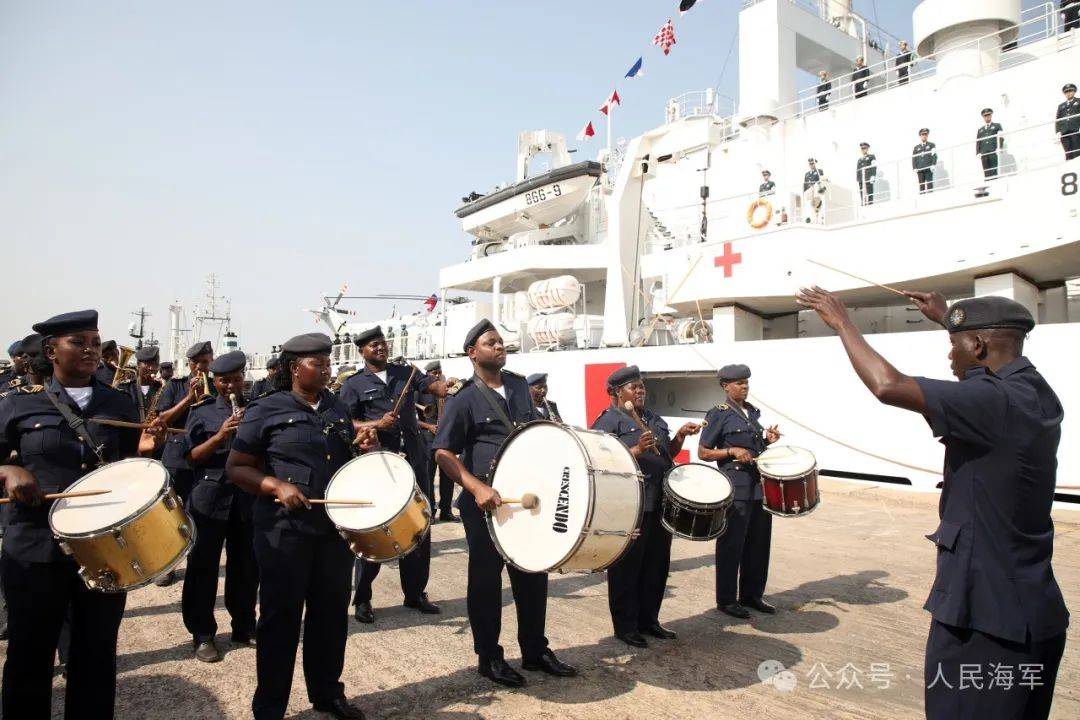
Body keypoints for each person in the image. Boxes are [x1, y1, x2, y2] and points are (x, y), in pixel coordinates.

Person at [795, 288, 1069, 720]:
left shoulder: (992, 403)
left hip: (986, 625)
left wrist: (842, 323)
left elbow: (888, 386)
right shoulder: (1035, 392)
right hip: (1028, 612)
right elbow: (985, 366)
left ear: (977, 346)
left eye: (953, 346)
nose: (948, 356)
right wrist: (951, 320)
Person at [0, 310, 144, 719]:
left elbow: (129, 467)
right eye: (78, 342)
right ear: (51, 351)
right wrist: (8, 469)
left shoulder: (119, 403)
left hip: (102, 549)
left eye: (96, 343)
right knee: (30, 655)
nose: (90, 350)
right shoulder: (17, 405)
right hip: (35, 548)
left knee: (96, 654)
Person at [226, 332, 369, 720]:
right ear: (294, 368)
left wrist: (364, 447)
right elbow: (237, 468)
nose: (326, 369)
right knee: (280, 619)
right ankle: (270, 707)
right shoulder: (266, 409)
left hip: (332, 532)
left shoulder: (337, 408)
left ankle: (327, 694)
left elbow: (342, 462)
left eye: (328, 363)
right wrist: (275, 484)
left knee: (331, 615)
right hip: (283, 532)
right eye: (317, 364)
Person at [433, 319, 577, 687]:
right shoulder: (463, 399)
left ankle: (534, 650)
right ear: (472, 353)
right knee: (485, 581)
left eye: (500, 342)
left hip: (526, 500)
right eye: (490, 342)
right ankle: (489, 657)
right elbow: (444, 454)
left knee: (532, 574)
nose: (499, 346)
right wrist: (476, 488)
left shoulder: (517, 385)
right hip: (486, 505)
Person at [342, 326, 451, 624]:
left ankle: (415, 593)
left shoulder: (406, 374)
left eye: (382, 344)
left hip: (415, 461)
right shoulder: (353, 385)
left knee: (419, 525)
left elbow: (433, 387)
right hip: (380, 465)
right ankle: (363, 597)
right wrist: (376, 423)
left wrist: (445, 387)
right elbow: (345, 422)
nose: (380, 348)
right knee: (375, 531)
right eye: (373, 346)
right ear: (362, 351)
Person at [592, 366, 699, 647]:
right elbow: (599, 463)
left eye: (641, 386)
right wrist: (636, 450)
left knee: (657, 565)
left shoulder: (653, 419)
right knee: (628, 567)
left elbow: (667, 454)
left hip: (660, 501)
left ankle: (650, 620)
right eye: (633, 387)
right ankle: (626, 627)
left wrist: (679, 438)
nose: (640, 391)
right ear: (617, 393)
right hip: (630, 504)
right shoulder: (608, 422)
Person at [181, 350, 258, 664]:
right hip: (209, 499)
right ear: (214, 381)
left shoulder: (256, 409)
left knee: (246, 568)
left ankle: (244, 626)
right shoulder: (201, 411)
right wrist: (220, 436)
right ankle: (202, 634)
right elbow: (190, 457)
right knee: (203, 569)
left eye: (236, 379)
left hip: (246, 499)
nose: (231, 386)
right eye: (225, 380)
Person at [698, 365, 782, 619]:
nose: (744, 386)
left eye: (746, 382)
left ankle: (752, 595)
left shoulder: (752, 413)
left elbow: (754, 448)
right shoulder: (719, 414)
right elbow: (703, 452)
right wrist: (730, 451)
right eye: (739, 383)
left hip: (759, 487)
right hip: (736, 488)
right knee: (732, 544)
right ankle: (726, 600)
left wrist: (767, 441)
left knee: (758, 544)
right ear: (726, 386)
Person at [151, 340, 215, 586]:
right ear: (189, 363)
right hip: (178, 456)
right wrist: (189, 397)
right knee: (170, 512)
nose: (202, 367)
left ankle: (194, 561)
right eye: (198, 363)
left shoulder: (217, 384)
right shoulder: (175, 386)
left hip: (205, 457)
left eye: (206, 362)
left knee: (198, 511)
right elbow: (162, 418)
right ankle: (166, 564)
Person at [417, 360, 457, 522]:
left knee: (448, 476)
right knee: (428, 476)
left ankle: (446, 511)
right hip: (428, 439)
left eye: (439, 372)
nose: (437, 375)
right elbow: (411, 419)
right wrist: (429, 426)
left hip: (446, 438)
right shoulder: (420, 392)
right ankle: (430, 511)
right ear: (427, 375)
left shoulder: (447, 390)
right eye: (434, 374)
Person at [117, 345, 164, 424]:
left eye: (155, 364)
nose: (151, 368)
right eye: (147, 364)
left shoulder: (162, 387)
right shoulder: (125, 387)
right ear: (138, 364)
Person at [976, 108, 1005, 180]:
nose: (987, 117)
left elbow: (1001, 137)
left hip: (993, 151)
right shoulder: (980, 130)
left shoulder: (997, 126)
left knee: (993, 170)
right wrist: (978, 152)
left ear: (991, 116)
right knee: (986, 172)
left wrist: (1000, 147)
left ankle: (995, 183)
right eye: (985, 116)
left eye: (988, 115)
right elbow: (978, 141)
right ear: (983, 117)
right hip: (984, 153)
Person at [1056, 83, 1080, 161]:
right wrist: (1058, 131)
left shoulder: (1079, 101)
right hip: (1064, 132)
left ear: (1074, 91)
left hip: (1076, 130)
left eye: (1070, 91)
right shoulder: (1061, 106)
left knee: (1077, 152)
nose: (1068, 93)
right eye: (1066, 92)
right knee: (1068, 153)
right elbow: (1058, 119)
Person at [912, 128, 938, 194]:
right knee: (921, 186)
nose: (924, 136)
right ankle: (922, 198)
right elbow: (914, 158)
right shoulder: (916, 147)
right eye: (923, 134)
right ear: (920, 136)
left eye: (925, 134)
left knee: (929, 184)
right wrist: (914, 167)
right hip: (920, 169)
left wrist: (933, 164)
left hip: (928, 168)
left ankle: (930, 197)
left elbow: (934, 155)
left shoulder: (931, 145)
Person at [802, 158, 826, 223]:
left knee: (817, 206)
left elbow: (821, 180)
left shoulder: (819, 171)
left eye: (812, 163)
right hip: (809, 193)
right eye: (810, 164)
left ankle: (819, 219)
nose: (811, 165)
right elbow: (805, 184)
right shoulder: (807, 174)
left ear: (815, 163)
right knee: (809, 206)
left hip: (816, 192)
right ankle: (810, 219)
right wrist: (804, 193)